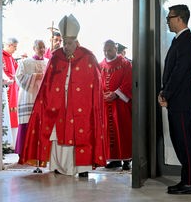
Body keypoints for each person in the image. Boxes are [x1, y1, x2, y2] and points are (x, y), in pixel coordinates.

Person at [19, 14, 107, 177]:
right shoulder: (56, 57)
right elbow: (47, 83)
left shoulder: (88, 57)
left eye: (69, 43)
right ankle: (58, 166)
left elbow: (96, 84)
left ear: (77, 42)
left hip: (82, 105)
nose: (66, 46)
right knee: (56, 134)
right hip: (58, 104)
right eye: (64, 43)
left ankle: (82, 168)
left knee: (82, 133)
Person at [158, 4, 191, 195]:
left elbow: (179, 73)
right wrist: (164, 92)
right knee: (179, 141)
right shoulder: (179, 40)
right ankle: (186, 180)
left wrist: (165, 93)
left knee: (185, 142)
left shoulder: (187, 41)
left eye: (170, 17)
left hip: (182, 100)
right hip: (177, 99)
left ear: (179, 19)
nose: (168, 21)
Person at [100, 40, 132, 170]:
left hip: (120, 104)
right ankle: (113, 160)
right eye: (105, 50)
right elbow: (97, 81)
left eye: (110, 50)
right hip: (106, 103)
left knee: (123, 130)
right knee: (108, 131)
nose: (107, 53)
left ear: (115, 48)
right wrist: (102, 94)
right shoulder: (100, 64)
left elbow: (129, 81)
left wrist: (116, 93)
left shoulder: (125, 64)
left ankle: (126, 159)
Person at [15, 39, 48, 156]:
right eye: (40, 47)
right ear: (34, 48)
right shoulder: (25, 62)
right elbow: (18, 77)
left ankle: (40, 153)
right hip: (29, 96)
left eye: (44, 47)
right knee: (27, 122)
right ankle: (24, 152)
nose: (42, 50)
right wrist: (34, 76)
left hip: (44, 97)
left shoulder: (48, 62)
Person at [2, 37, 19, 150]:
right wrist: (10, 78)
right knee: (7, 115)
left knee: (13, 116)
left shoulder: (11, 58)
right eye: (14, 47)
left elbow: (17, 70)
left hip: (14, 89)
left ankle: (12, 143)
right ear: (9, 45)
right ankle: (6, 143)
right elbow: (3, 72)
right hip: (7, 90)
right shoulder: (2, 56)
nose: (16, 49)